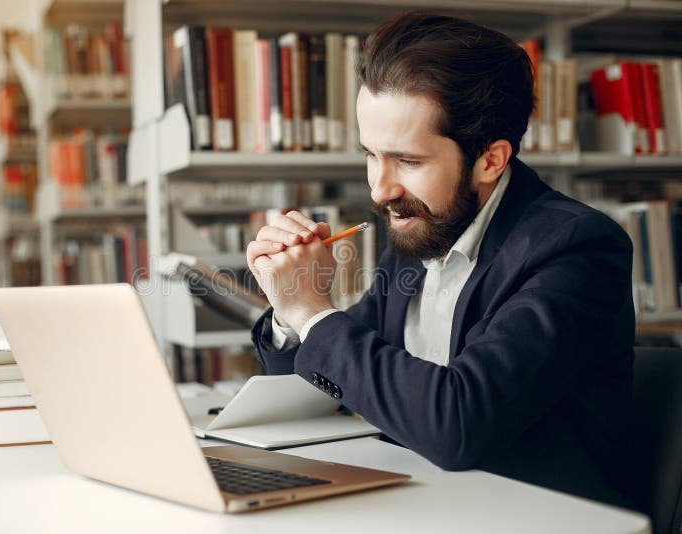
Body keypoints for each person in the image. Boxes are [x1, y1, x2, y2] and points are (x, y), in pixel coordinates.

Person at [246, 13, 640, 510]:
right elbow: (330, 385)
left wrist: (314, 314)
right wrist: (288, 313)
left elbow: (459, 424)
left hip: (537, 516)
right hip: (426, 504)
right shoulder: (420, 229)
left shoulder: (577, 247)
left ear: (490, 160)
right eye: (370, 154)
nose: (379, 189)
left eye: (408, 161)